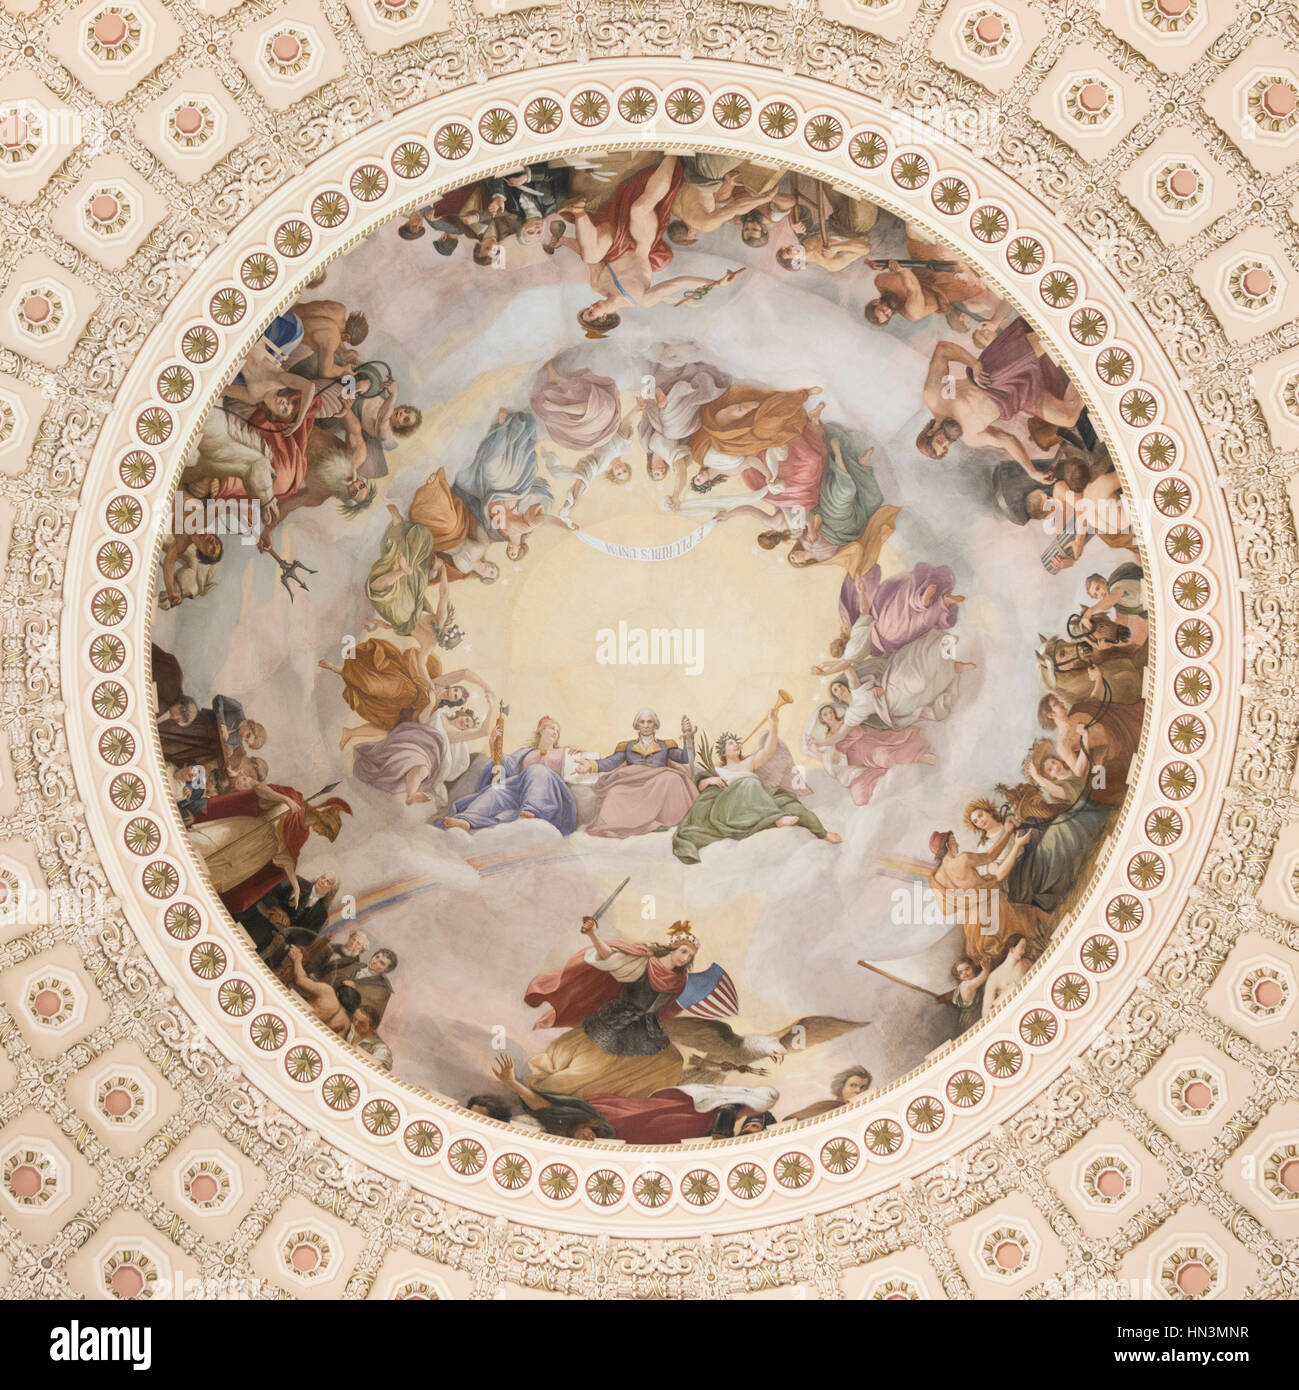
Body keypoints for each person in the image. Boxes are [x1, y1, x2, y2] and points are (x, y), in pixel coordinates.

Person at [553, 155, 745, 334]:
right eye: (592, 312)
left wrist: (564, 242)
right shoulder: (642, 299)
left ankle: (579, 211)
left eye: (588, 309)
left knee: (590, 256)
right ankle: (673, 153)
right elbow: (678, 283)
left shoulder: (597, 285)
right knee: (639, 209)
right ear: (603, 318)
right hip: (640, 244)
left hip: (614, 243)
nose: (592, 306)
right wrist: (714, 284)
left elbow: (586, 255)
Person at [523, 917, 700, 1098]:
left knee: (670, 1062)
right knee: (593, 1068)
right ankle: (546, 1090)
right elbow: (610, 957)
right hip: (617, 1021)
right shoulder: (645, 962)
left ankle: (626, 1099)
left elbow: (667, 1008)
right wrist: (592, 934)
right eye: (683, 951)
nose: (685, 958)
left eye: (690, 956)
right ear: (672, 948)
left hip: (646, 1029)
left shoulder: (679, 980)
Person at [671, 707, 841, 864]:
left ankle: (822, 833)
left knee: (792, 807)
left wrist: (774, 725)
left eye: (736, 742)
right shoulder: (718, 770)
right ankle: (776, 819)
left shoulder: (749, 763)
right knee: (748, 783)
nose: (736, 744)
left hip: (757, 802)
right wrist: (708, 781)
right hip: (732, 808)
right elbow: (700, 788)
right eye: (731, 743)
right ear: (723, 751)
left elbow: (768, 749)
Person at [490, 1054, 777, 1144]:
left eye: (584, 1136)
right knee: (687, 1122)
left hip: (631, 1113)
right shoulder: (591, 1132)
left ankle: (729, 1108)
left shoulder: (574, 1117)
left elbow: (544, 1106)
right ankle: (727, 1111)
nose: (588, 1137)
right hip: (648, 1131)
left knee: (683, 1112)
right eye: (587, 1138)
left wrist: (512, 1082)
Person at [917, 322, 1082, 477]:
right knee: (1068, 418)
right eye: (945, 448)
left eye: (940, 441)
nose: (947, 442)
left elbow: (942, 350)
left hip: (998, 373)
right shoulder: (971, 437)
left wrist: (974, 364)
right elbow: (1007, 440)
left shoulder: (934, 397)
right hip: (1019, 397)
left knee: (1050, 339)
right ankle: (1086, 368)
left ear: (930, 431)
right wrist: (1031, 472)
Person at [187, 783, 351, 915]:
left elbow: (286, 858)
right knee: (200, 846)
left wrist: (296, 886)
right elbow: (260, 789)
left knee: (213, 879)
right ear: (322, 821)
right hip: (246, 831)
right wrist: (285, 799)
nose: (321, 834)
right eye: (325, 831)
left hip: (255, 857)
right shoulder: (295, 797)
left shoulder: (303, 834)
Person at [928, 830, 1049, 966]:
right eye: (954, 841)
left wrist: (966, 900)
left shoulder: (936, 878)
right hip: (994, 909)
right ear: (948, 846)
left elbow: (946, 910)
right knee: (1028, 922)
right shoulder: (963, 859)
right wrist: (1008, 833)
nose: (958, 845)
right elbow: (990, 856)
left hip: (973, 925)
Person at [440, 715, 577, 834]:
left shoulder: (563, 753)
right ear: (540, 730)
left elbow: (581, 766)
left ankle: (532, 811)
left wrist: (577, 754)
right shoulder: (526, 753)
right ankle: (466, 820)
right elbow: (505, 765)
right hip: (517, 791)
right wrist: (493, 743)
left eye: (558, 731)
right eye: (552, 728)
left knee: (537, 770)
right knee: (495, 791)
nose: (556, 733)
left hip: (546, 797)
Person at [576, 710, 698, 838]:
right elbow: (611, 762)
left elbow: (686, 758)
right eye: (642, 722)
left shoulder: (666, 746)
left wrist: (687, 736)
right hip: (633, 782)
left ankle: (664, 821)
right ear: (637, 725)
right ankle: (645, 825)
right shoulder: (627, 746)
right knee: (614, 793)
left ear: (655, 725)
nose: (646, 725)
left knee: (671, 778)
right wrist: (591, 765)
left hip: (658, 782)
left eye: (649, 722)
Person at [818, 631, 971, 730]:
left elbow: (847, 667)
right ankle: (953, 669)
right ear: (838, 698)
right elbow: (840, 733)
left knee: (919, 680)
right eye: (836, 690)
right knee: (924, 691)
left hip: (890, 687)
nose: (839, 689)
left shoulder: (855, 689)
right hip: (894, 707)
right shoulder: (852, 713)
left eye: (838, 685)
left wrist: (826, 671)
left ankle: (941, 649)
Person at [803, 701, 932, 806]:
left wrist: (820, 743)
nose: (829, 715)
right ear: (822, 719)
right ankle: (897, 782)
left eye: (830, 712)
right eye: (825, 714)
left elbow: (841, 736)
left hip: (868, 746)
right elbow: (833, 760)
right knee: (860, 796)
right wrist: (815, 749)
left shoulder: (846, 721)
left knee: (885, 758)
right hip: (858, 761)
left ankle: (920, 758)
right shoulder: (828, 737)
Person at [783, 1064, 873, 1122]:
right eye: (853, 1085)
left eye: (863, 1087)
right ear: (841, 1087)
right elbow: (789, 1121)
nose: (858, 1091)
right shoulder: (828, 1106)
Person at [982, 935, 1030, 1017]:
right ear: (1012, 949)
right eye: (1022, 947)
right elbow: (985, 1012)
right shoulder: (994, 976)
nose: (1024, 951)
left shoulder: (1026, 964)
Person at [347, 1004, 393, 1071]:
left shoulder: (381, 1048)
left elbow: (380, 1070)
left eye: (361, 1023)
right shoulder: (348, 1028)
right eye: (355, 1019)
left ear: (373, 1026)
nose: (355, 1024)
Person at [950, 958, 988, 1035]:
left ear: (972, 968)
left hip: (967, 1018)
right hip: (971, 1019)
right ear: (958, 976)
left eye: (967, 969)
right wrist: (986, 968)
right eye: (960, 973)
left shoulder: (969, 983)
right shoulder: (966, 985)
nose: (965, 973)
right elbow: (982, 977)